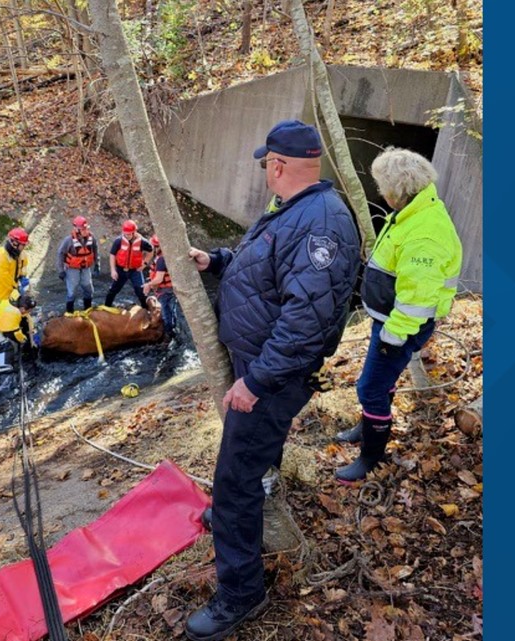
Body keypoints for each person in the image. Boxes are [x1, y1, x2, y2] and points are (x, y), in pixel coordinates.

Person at [183, 119, 360, 641]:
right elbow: (265, 271)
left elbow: (307, 321)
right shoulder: (294, 210)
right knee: (252, 464)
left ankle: (241, 593)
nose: (266, 170)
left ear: (277, 166)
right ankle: (253, 499)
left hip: (273, 375)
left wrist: (255, 382)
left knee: (233, 482)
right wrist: (214, 261)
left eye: (267, 163)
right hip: (261, 364)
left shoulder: (322, 222)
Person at [334, 147, 463, 482]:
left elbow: (417, 295)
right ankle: (367, 426)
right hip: (390, 319)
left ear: (397, 192)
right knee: (381, 381)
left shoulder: (424, 233)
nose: (380, 192)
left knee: (370, 388)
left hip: (400, 325)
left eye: (382, 187)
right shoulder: (415, 210)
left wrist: (395, 333)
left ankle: (371, 458)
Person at [103, 219, 153, 309]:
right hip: (121, 270)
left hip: (135, 271)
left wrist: (145, 263)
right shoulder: (118, 241)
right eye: (125, 234)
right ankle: (106, 308)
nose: (127, 236)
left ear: (134, 232)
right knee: (113, 290)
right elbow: (112, 255)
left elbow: (151, 251)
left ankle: (147, 311)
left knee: (141, 292)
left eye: (129, 234)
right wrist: (113, 270)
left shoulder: (142, 242)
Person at [55, 215, 99, 314]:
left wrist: (97, 264)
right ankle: (69, 312)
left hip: (85, 268)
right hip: (72, 268)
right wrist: (61, 271)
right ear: (77, 229)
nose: (85, 231)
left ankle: (88, 310)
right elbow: (60, 254)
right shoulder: (68, 240)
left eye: (86, 228)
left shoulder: (91, 238)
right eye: (82, 229)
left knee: (88, 289)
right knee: (72, 291)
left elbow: (95, 251)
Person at [142, 235, 179, 340]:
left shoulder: (161, 260)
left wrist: (148, 285)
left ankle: (169, 335)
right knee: (171, 311)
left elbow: (159, 279)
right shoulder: (164, 256)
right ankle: (173, 329)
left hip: (166, 291)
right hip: (169, 289)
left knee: (167, 313)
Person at [0, 227, 30, 307]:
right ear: (15, 244)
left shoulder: (21, 255)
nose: (24, 247)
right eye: (23, 245)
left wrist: (23, 276)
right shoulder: (0, 255)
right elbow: (3, 278)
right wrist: (17, 287)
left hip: (11, 294)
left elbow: (23, 266)